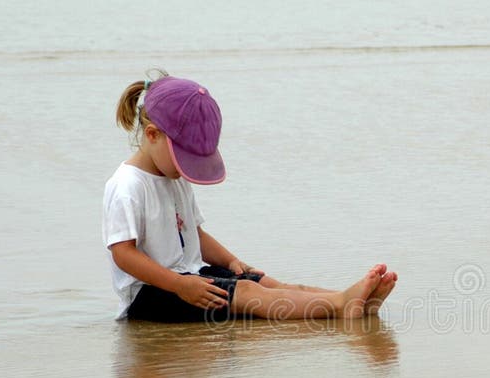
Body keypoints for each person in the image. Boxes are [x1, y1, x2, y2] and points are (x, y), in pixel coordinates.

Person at [102, 73, 397, 322]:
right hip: (151, 295)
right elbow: (123, 254)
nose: (185, 169)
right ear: (152, 135)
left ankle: (350, 301)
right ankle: (340, 305)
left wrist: (232, 261)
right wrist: (180, 286)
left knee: (263, 282)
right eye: (183, 159)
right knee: (247, 294)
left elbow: (194, 233)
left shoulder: (172, 178)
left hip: (190, 274)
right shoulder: (127, 186)